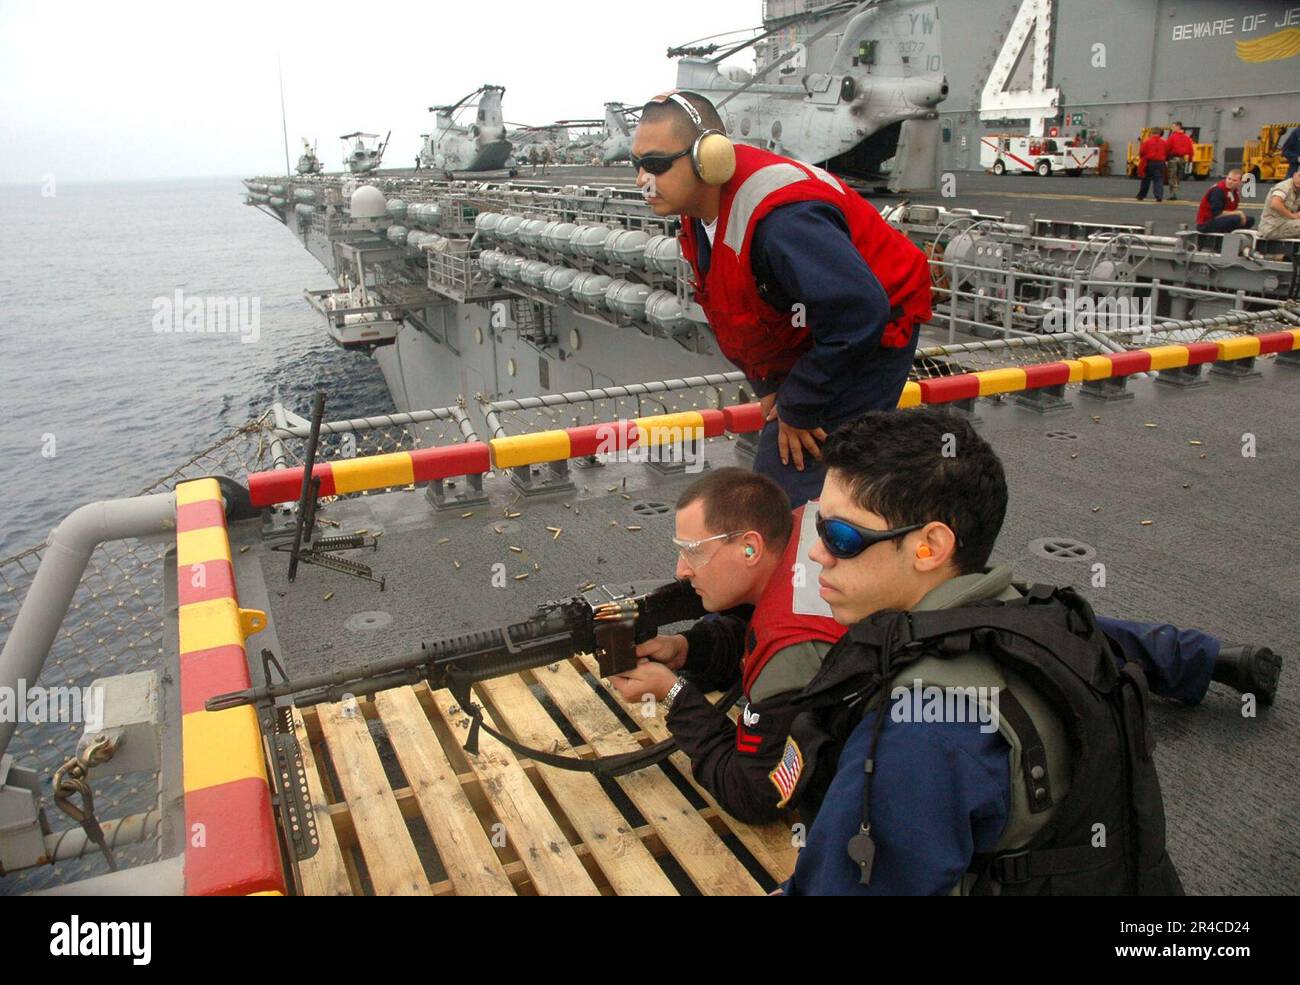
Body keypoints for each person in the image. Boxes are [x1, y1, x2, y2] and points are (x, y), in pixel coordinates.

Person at [766, 409, 1282, 895]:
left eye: (838, 535)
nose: (816, 552)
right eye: (817, 524)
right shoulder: (1034, 617)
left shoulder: (920, 733)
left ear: (929, 547)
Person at [607, 456, 1281, 828]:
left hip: (929, 669)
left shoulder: (789, 650)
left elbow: (758, 794)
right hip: (952, 600)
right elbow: (753, 617)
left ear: (751, 546)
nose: (680, 570)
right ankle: (1209, 657)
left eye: (690, 551)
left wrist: (677, 698)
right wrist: (693, 650)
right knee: (1061, 627)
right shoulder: (813, 523)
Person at [631, 90, 932, 508]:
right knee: (801, 467)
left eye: (657, 165)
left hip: (876, 328)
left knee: (790, 482)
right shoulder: (700, 211)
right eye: (638, 163)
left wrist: (801, 405)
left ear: (709, 158)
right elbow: (735, 309)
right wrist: (770, 383)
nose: (642, 180)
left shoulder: (782, 220)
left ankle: (827, 556)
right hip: (823, 326)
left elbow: (860, 313)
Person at [1196, 169, 1255, 233]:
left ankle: (1234, 237)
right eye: (1229, 179)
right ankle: (1229, 239)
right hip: (1206, 222)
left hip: (1221, 220)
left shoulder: (1234, 192)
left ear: (1240, 182)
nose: (1230, 182)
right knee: (1236, 219)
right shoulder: (1218, 191)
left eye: (1234, 180)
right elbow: (1217, 213)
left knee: (1250, 220)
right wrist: (1238, 213)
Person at [1257, 169, 1300, 240]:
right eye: (1299, 176)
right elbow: (1275, 204)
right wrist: (1292, 216)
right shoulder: (1284, 186)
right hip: (1273, 226)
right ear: (1294, 175)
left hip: (1287, 224)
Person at [1165, 122, 1195, 201]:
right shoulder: (1186, 137)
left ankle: (1173, 194)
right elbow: (1190, 149)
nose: (1172, 128)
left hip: (1173, 159)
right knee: (1178, 176)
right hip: (1182, 159)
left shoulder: (1172, 137)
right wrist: (1190, 159)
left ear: (1178, 127)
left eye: (1173, 126)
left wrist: (1165, 158)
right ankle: (1176, 190)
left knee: (1172, 176)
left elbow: (1167, 148)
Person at [1136, 128, 1167, 202]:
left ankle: (1141, 196)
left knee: (1146, 180)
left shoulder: (1147, 142)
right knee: (1158, 180)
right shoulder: (1164, 142)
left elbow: (1142, 152)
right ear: (1160, 134)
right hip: (1160, 163)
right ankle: (1159, 196)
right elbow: (1167, 152)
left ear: (1151, 133)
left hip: (1149, 162)